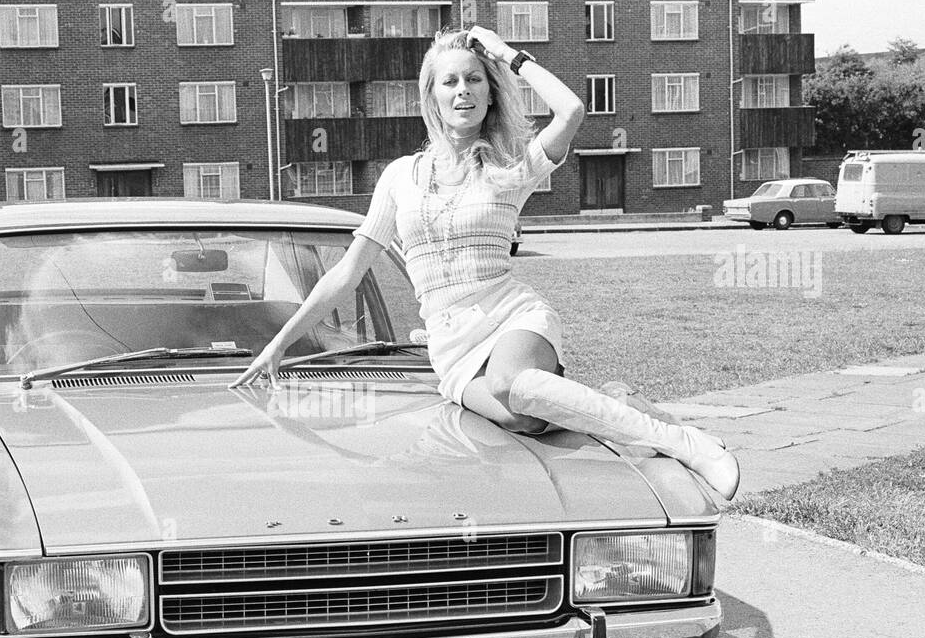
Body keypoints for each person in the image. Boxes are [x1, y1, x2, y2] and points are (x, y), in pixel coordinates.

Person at [231, 26, 738, 500]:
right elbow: (347, 271)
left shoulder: (510, 166)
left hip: (511, 316)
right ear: (431, 95)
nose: (463, 91)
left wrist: (504, 53)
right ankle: (618, 403)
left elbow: (572, 111)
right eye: (449, 81)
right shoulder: (399, 177)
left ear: (490, 92)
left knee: (509, 383)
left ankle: (687, 444)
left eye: (474, 80)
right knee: (522, 418)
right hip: (450, 349)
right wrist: (278, 344)